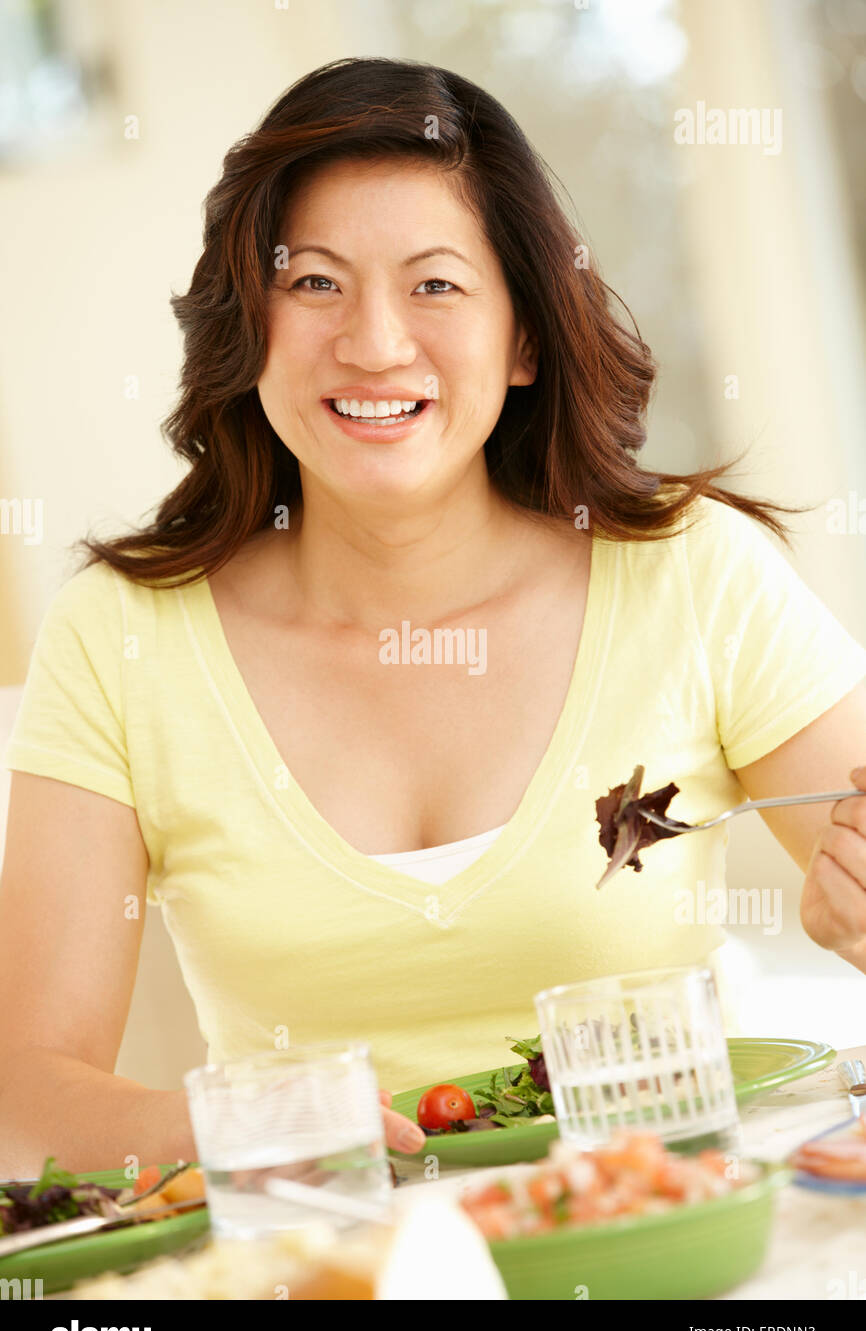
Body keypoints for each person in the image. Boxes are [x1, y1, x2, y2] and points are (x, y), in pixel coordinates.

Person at [2, 58, 865, 1175]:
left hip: (669, 1247)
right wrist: (230, 1130)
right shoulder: (118, 637)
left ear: (522, 339)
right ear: (247, 323)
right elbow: (23, 1091)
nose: (371, 343)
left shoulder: (689, 572)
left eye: (435, 285)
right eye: (312, 282)